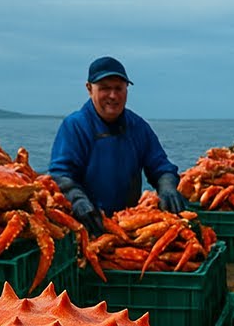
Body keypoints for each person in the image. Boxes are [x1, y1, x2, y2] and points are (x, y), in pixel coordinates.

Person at [49, 56, 187, 238]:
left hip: (129, 224)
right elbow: (61, 175)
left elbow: (161, 167)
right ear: (89, 89)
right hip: (86, 225)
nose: (113, 95)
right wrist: (78, 201)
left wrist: (167, 186)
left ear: (126, 90)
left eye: (118, 88)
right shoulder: (75, 126)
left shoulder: (138, 126)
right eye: (105, 88)